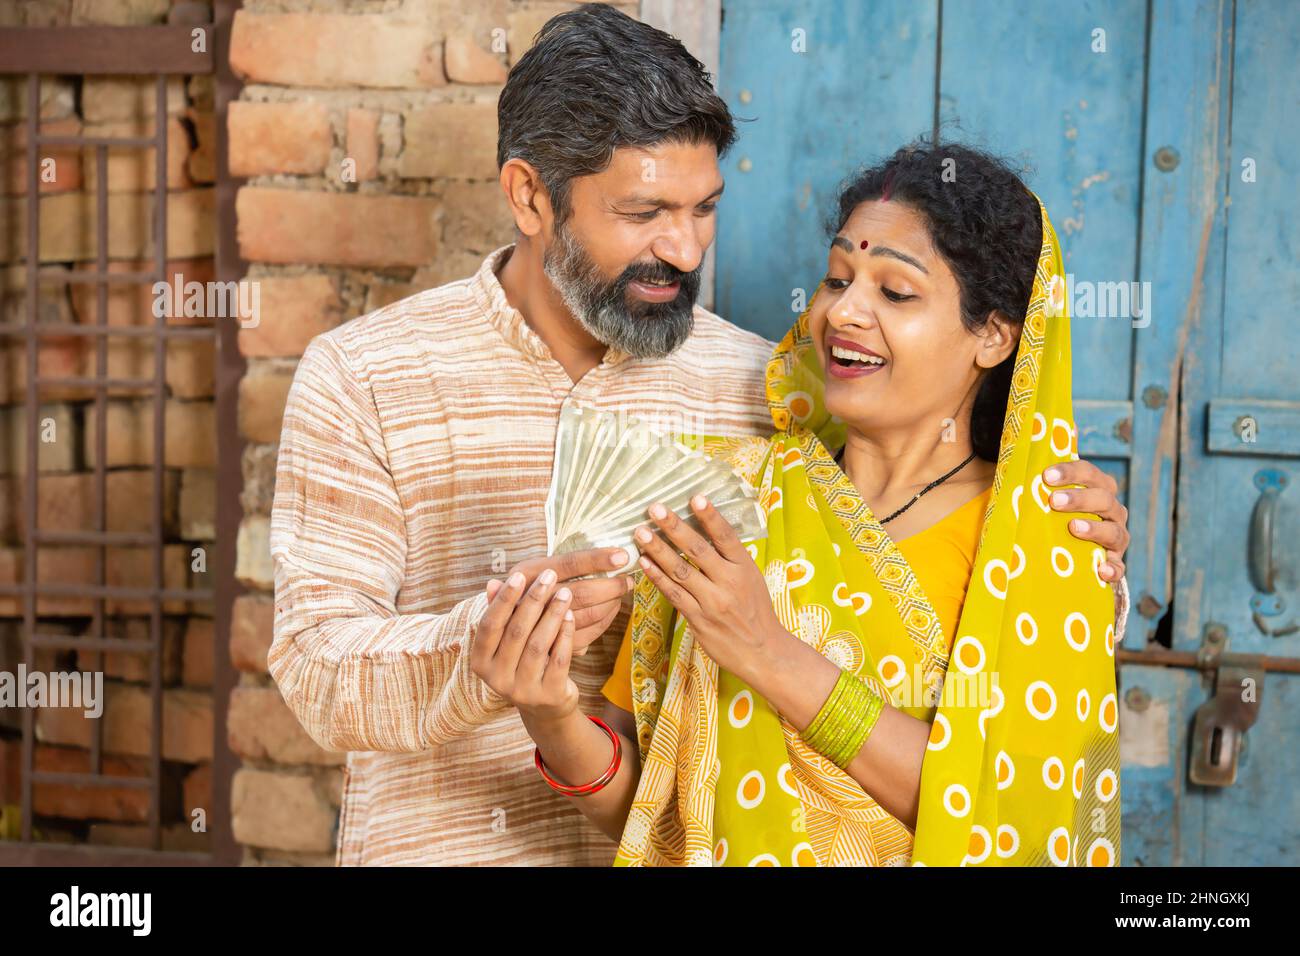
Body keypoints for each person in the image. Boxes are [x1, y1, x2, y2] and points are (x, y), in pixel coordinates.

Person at [270, 4, 1130, 865]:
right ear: (530, 196)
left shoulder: (775, 393)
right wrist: (494, 654)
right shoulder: (366, 374)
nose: (683, 250)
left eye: (705, 208)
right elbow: (315, 669)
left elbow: (945, 551)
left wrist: (1077, 546)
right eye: (644, 212)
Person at [500, 141, 1124, 866]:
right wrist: (549, 716)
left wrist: (768, 653)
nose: (844, 312)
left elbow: (1012, 814)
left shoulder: (1045, 536)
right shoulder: (728, 502)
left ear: (992, 336)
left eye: (895, 292)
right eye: (836, 279)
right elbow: (653, 814)